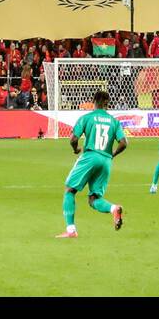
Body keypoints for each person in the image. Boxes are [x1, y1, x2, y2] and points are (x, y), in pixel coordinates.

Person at [57, 89, 126, 238]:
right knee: (94, 198)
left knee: (70, 190)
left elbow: (73, 139)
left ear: (93, 101)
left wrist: (76, 149)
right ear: (108, 104)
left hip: (90, 156)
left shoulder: (87, 117)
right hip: (106, 161)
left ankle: (71, 230)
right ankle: (113, 208)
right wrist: (112, 154)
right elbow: (123, 143)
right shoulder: (114, 121)